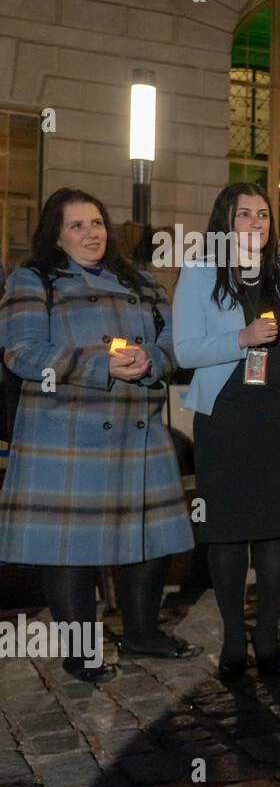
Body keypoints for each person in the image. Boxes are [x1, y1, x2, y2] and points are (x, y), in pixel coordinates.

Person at [0, 188, 198, 682]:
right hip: (66, 435)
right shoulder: (34, 279)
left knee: (150, 538)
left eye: (96, 223)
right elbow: (21, 352)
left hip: (140, 430)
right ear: (56, 235)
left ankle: (142, 635)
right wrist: (99, 365)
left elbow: (176, 343)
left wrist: (153, 359)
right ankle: (81, 650)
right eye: (77, 226)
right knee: (72, 548)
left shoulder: (142, 280)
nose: (91, 233)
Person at [173, 183, 280, 680]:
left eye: (263, 215)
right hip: (227, 415)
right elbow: (184, 350)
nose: (256, 224)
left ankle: (267, 634)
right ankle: (230, 635)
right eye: (244, 214)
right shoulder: (201, 274)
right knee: (227, 531)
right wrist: (239, 338)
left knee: (278, 526)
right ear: (224, 221)